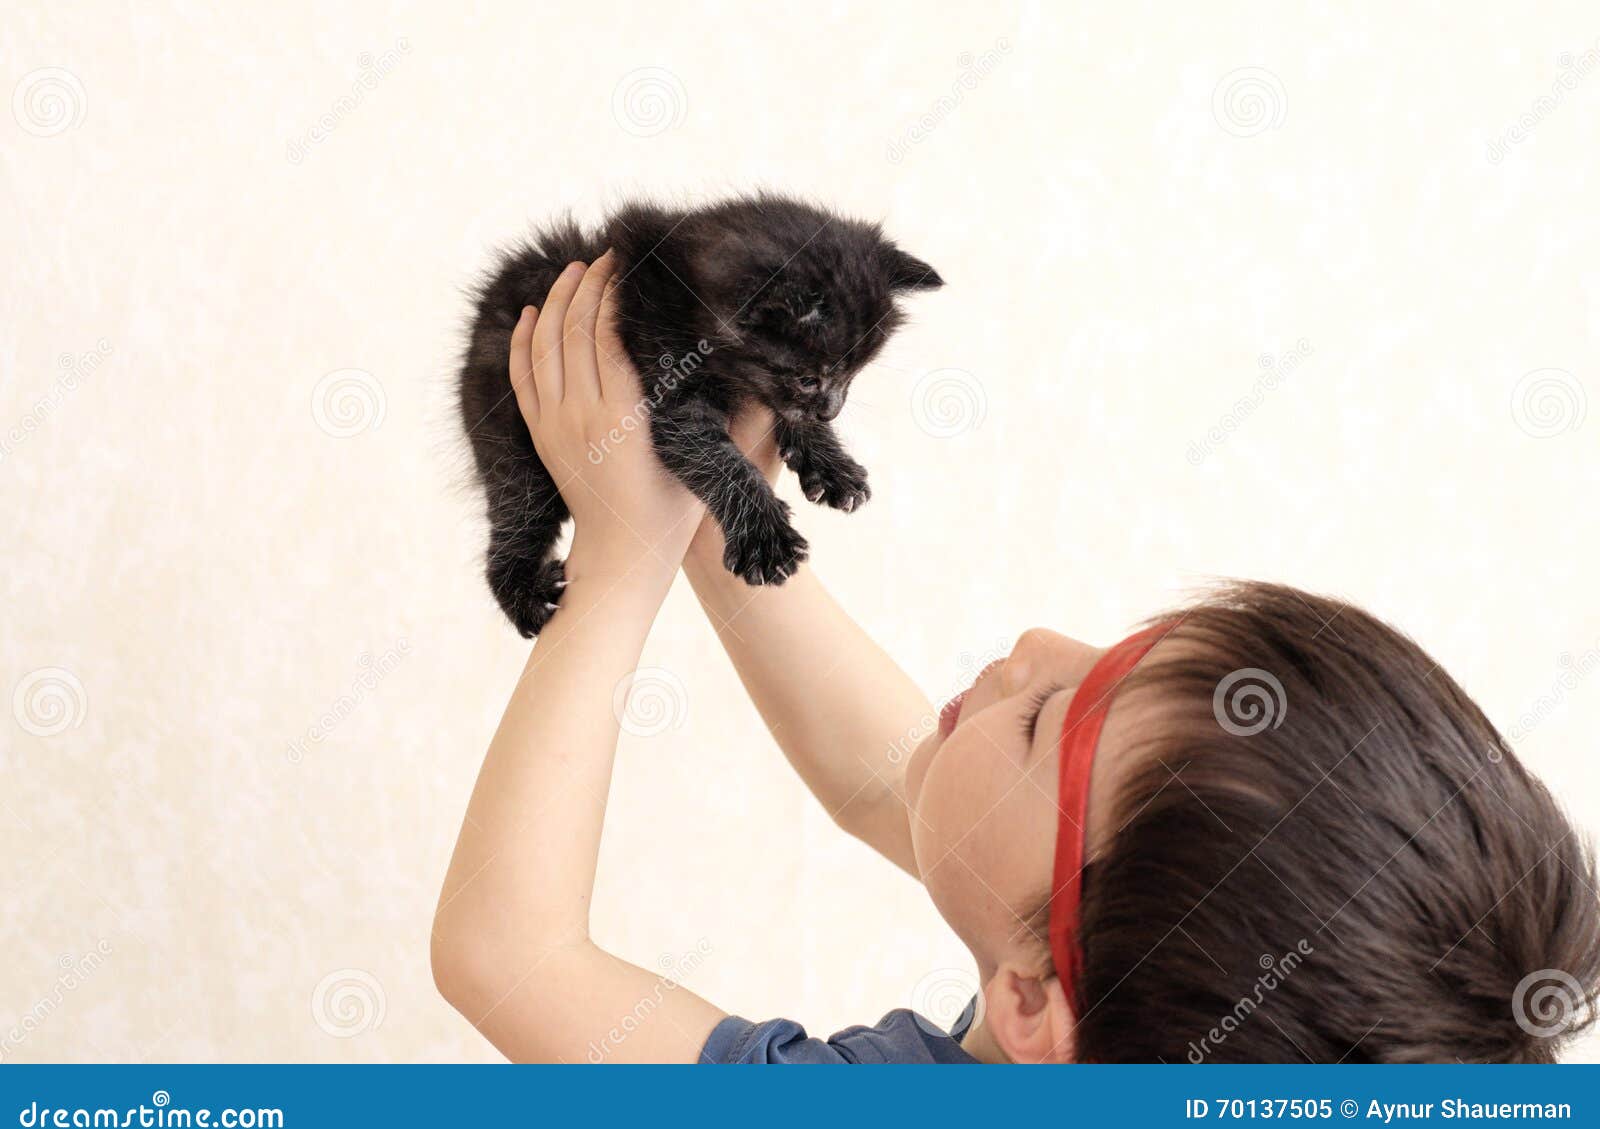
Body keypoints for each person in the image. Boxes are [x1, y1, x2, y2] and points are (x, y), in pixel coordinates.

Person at [431, 254, 1600, 1063]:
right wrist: (723, 517)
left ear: (1033, 995)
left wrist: (617, 572)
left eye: (1046, 715)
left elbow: (508, 950)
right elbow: (888, 778)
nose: (1034, 644)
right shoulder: (1111, 1022)